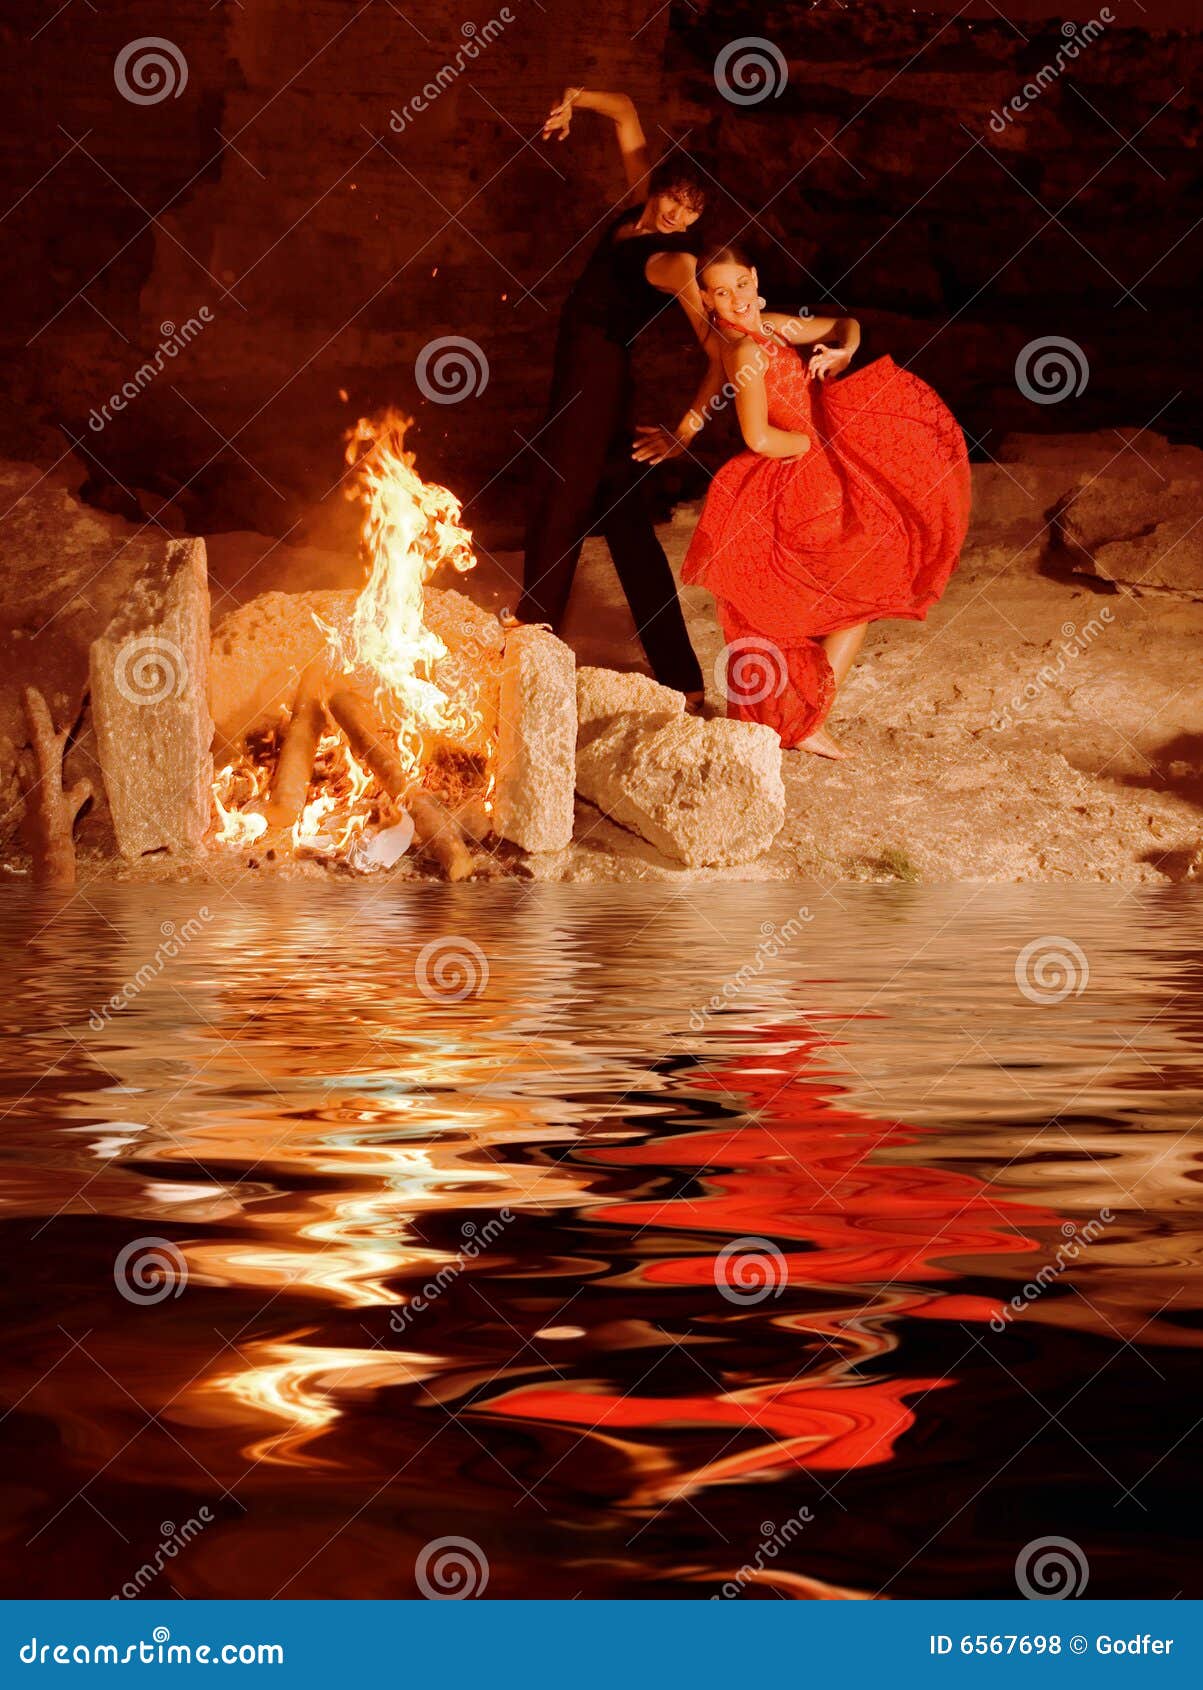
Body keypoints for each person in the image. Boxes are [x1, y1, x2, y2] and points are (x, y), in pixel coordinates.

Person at [682, 246, 971, 758]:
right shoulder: (743, 352)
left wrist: (843, 353)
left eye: (741, 285)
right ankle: (807, 720)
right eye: (721, 294)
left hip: (816, 474)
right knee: (853, 596)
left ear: (754, 278)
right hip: (792, 480)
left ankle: (799, 715)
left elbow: (845, 324)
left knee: (845, 592)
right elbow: (758, 438)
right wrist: (808, 444)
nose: (737, 299)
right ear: (706, 299)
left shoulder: (766, 325)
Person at [517, 87, 726, 707]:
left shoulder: (674, 261)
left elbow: (718, 351)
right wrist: (574, 99)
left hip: (594, 389)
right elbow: (630, 111)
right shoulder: (641, 206)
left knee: (559, 503)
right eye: (673, 201)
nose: (678, 219)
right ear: (658, 188)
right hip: (585, 381)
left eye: (692, 214)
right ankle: (683, 681)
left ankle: (531, 643)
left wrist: (686, 430)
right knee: (628, 528)